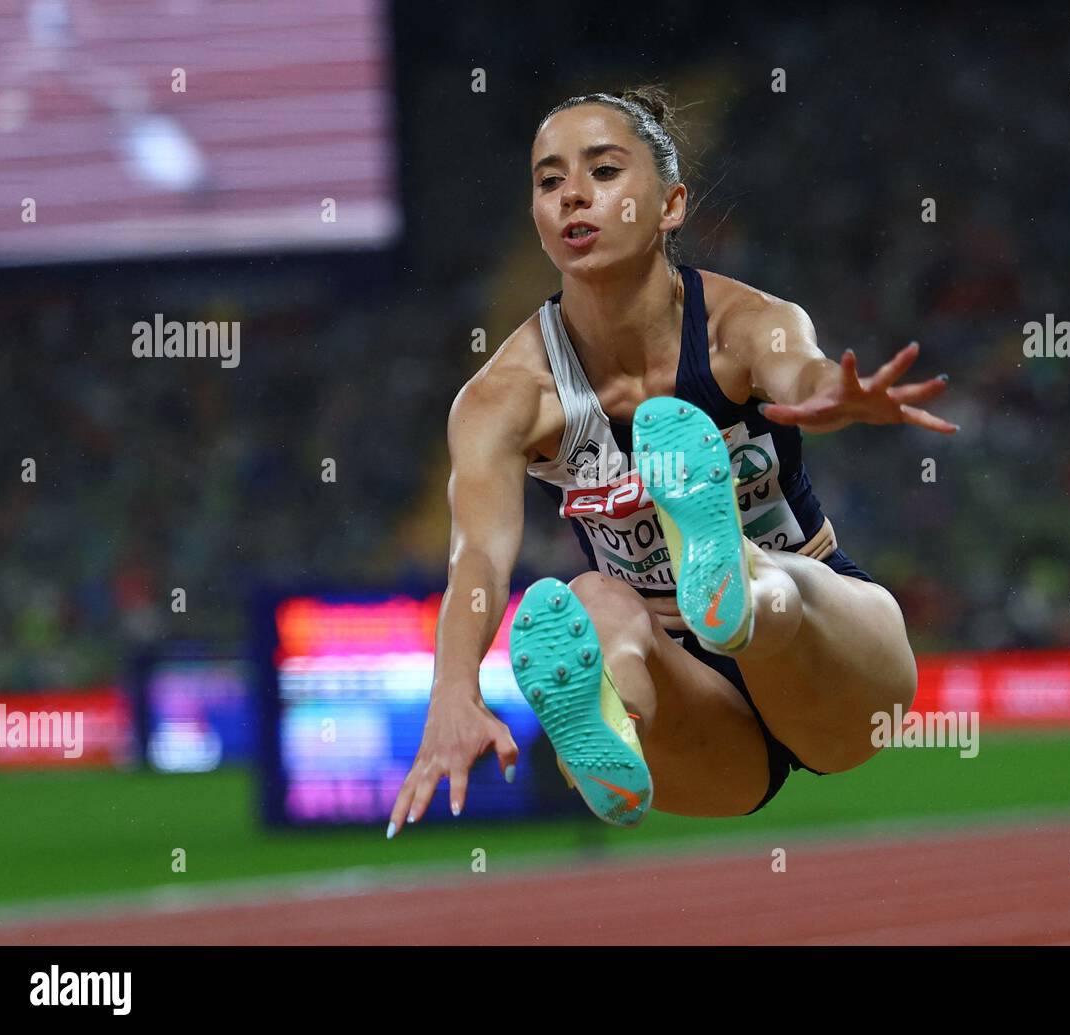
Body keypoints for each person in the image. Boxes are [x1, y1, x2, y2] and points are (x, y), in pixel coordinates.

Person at [387, 84, 956, 835]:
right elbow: (478, 563)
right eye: (550, 180)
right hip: (703, 719)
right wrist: (452, 692)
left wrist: (829, 394)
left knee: (765, 590)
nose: (572, 197)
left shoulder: (746, 326)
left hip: (834, 666)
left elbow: (802, 367)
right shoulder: (504, 396)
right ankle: (608, 723)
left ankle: (735, 585)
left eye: (603, 171)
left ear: (671, 205)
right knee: (587, 600)